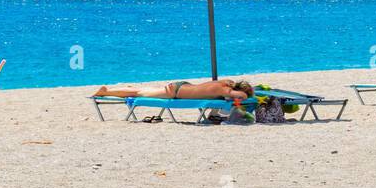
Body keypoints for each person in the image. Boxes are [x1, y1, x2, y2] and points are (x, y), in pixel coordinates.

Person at [93, 79, 255, 101]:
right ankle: (105, 92)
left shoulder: (225, 83)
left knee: (140, 89)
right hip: (175, 92)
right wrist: (248, 94)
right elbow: (241, 96)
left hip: (182, 86)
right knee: (138, 93)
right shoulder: (225, 91)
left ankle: (115, 89)